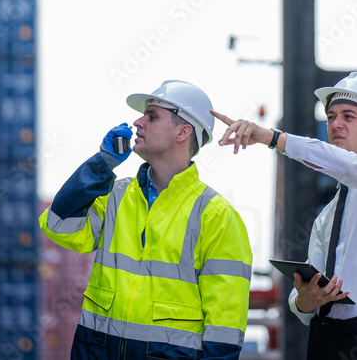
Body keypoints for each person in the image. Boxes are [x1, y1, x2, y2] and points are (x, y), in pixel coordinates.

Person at [212, 72, 357, 360]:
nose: (336, 124)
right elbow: (300, 299)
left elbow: (353, 168)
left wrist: (272, 138)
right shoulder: (327, 215)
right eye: (331, 116)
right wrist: (305, 302)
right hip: (323, 339)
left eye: (348, 116)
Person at [40, 80, 253, 360]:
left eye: (151, 116)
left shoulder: (216, 217)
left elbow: (224, 332)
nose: (138, 122)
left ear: (183, 131)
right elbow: (59, 225)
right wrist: (101, 165)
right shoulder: (114, 195)